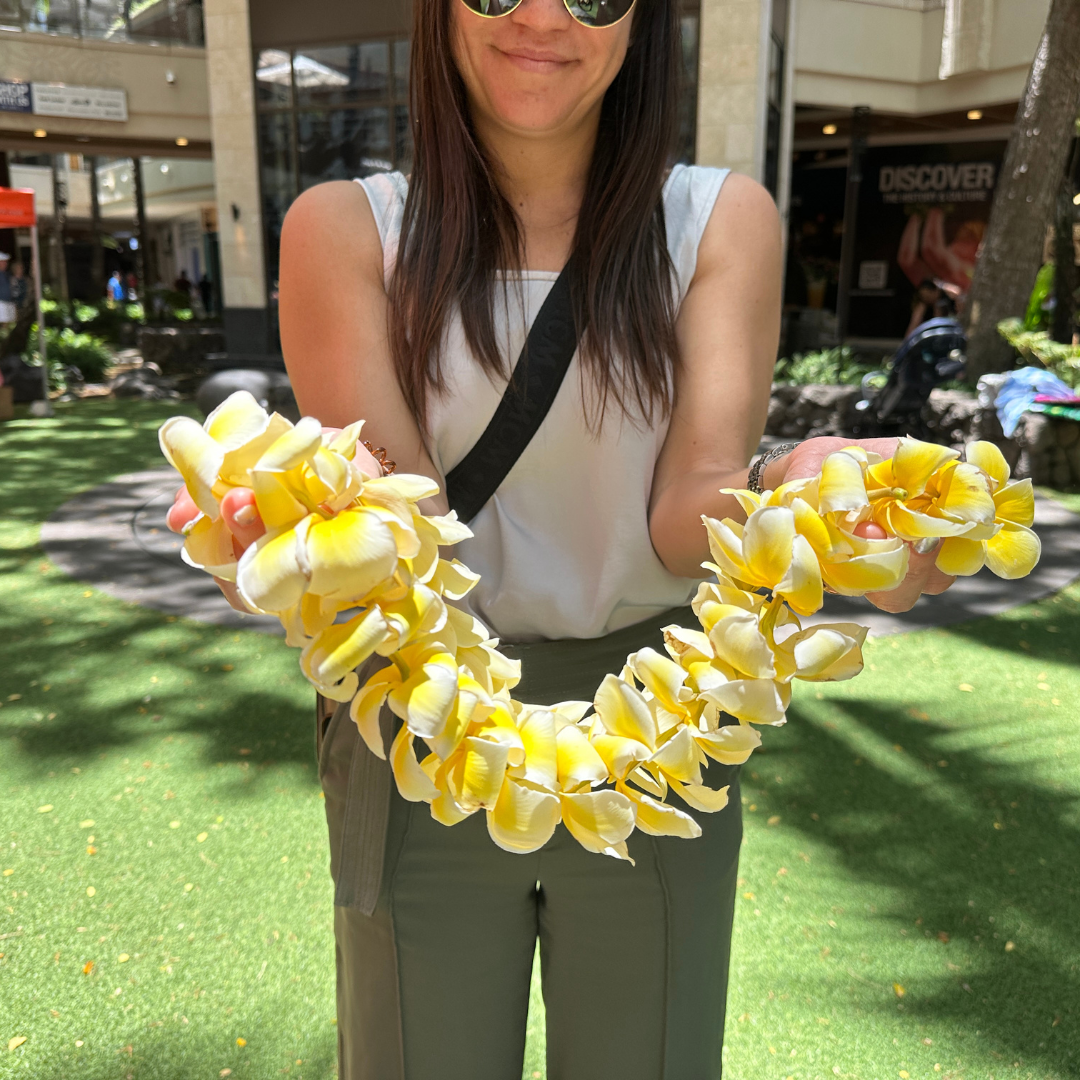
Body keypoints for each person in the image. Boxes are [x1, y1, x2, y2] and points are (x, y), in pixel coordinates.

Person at [168, 2, 954, 1076]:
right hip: (420, 728)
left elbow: (689, 512)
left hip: (656, 722)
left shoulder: (721, 219)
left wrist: (803, 501)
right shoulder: (342, 228)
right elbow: (403, 533)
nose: (543, 14)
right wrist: (283, 536)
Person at [0, 252, 14, 326]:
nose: (6, 264)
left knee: (10, 324)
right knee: (3, 324)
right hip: (1, 303)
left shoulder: (7, 274)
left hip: (9, 302)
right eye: (3, 262)